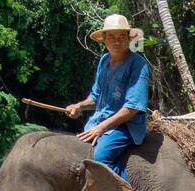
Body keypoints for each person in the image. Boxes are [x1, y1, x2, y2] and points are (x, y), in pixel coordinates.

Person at [65, 14, 151, 182]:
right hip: (99, 121)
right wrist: (79, 106)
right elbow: (96, 96)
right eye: (111, 36)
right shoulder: (104, 60)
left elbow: (132, 107)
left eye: (121, 36)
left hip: (125, 127)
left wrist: (101, 128)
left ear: (128, 38)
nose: (117, 41)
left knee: (100, 159)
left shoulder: (138, 64)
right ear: (103, 39)